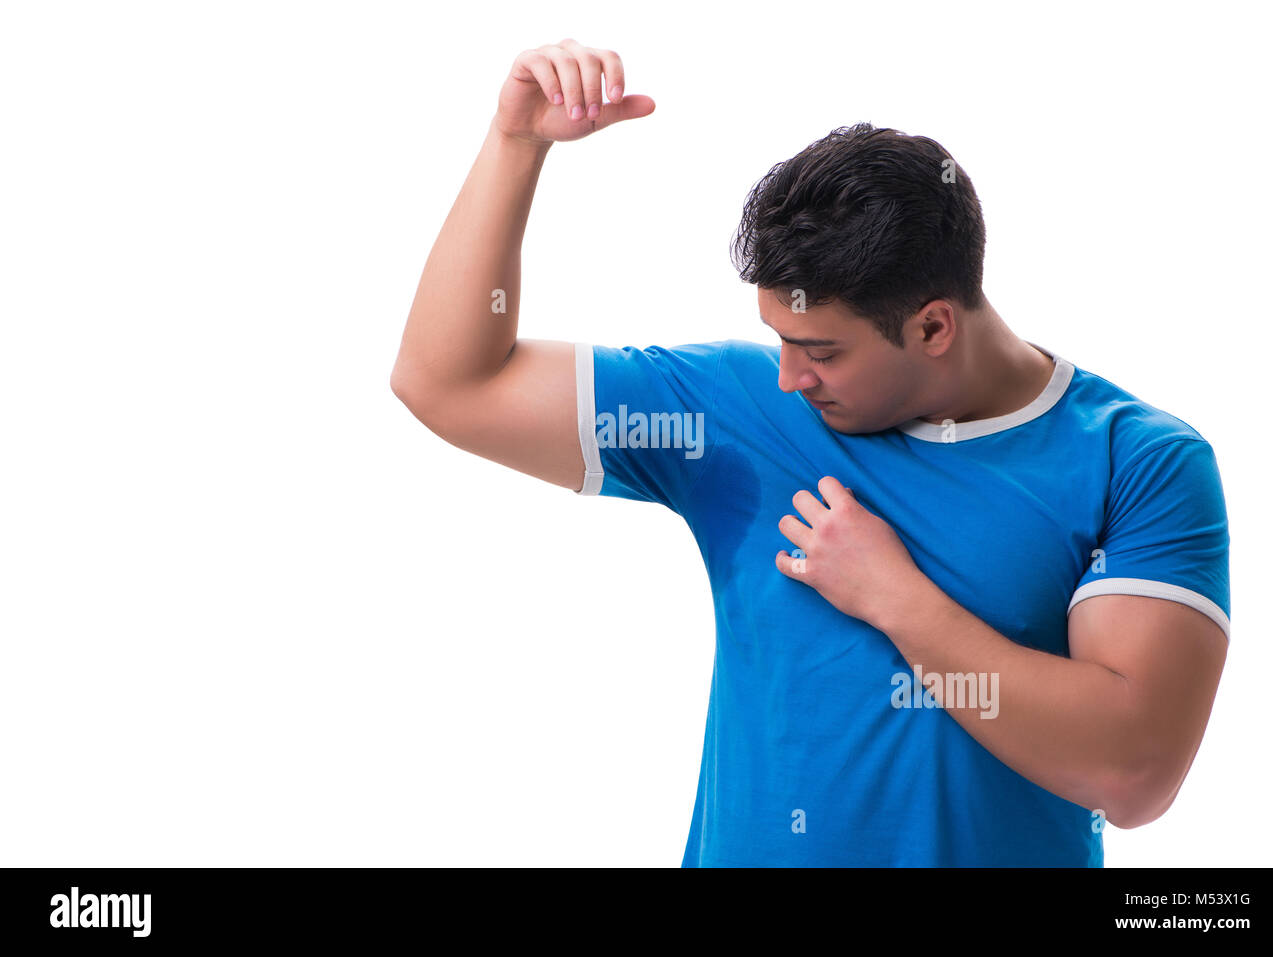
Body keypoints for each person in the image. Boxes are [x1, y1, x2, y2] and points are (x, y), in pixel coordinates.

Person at [389, 39, 1230, 866]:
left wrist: (897, 598)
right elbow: (447, 383)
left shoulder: (1139, 462)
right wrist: (515, 144)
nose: (790, 377)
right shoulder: (738, 410)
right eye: (779, 340)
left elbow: (1135, 772)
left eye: (822, 351)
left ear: (933, 325)